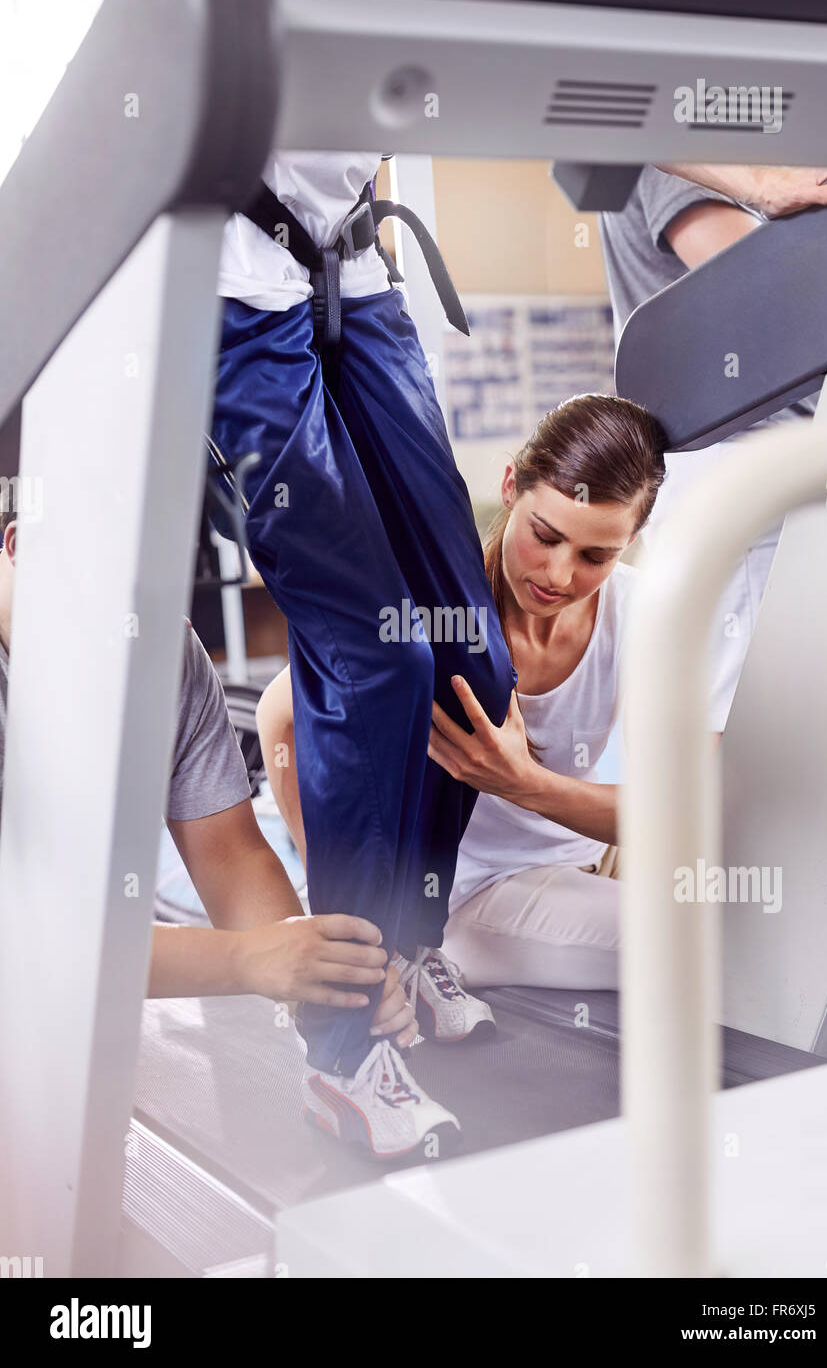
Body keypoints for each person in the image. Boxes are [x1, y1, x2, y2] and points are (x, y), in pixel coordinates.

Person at [210, 151, 515, 1156]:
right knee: (376, 662)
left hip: (356, 274)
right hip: (228, 294)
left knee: (469, 659)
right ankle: (342, 1049)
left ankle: (411, 949)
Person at [258, 395, 667, 989]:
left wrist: (522, 784)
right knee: (694, 942)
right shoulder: (431, 619)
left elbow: (677, 813)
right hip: (473, 891)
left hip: (587, 855)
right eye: (545, 536)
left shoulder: (638, 613)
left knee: (769, 916)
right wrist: (342, 893)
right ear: (510, 487)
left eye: (595, 555)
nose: (558, 575)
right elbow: (283, 716)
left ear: (632, 540)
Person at [0, 496, 415, 1048]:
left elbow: (229, 855)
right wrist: (247, 959)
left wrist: (320, 980)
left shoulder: (164, 650)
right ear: (20, 548)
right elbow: (23, 935)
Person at [599, 162, 827, 731]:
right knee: (742, 719)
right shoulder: (689, 146)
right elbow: (769, 296)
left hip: (784, 461)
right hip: (735, 461)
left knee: (798, 711)